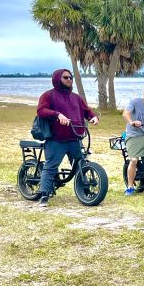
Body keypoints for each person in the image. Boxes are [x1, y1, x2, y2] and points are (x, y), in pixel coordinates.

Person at [35, 69, 99, 208]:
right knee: (51, 167)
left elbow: (86, 110)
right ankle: (44, 194)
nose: (69, 80)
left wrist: (93, 117)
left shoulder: (76, 97)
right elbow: (41, 110)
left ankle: (85, 190)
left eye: (70, 77)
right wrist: (57, 115)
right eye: (65, 77)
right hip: (56, 139)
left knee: (80, 165)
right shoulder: (48, 95)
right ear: (57, 78)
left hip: (75, 137)